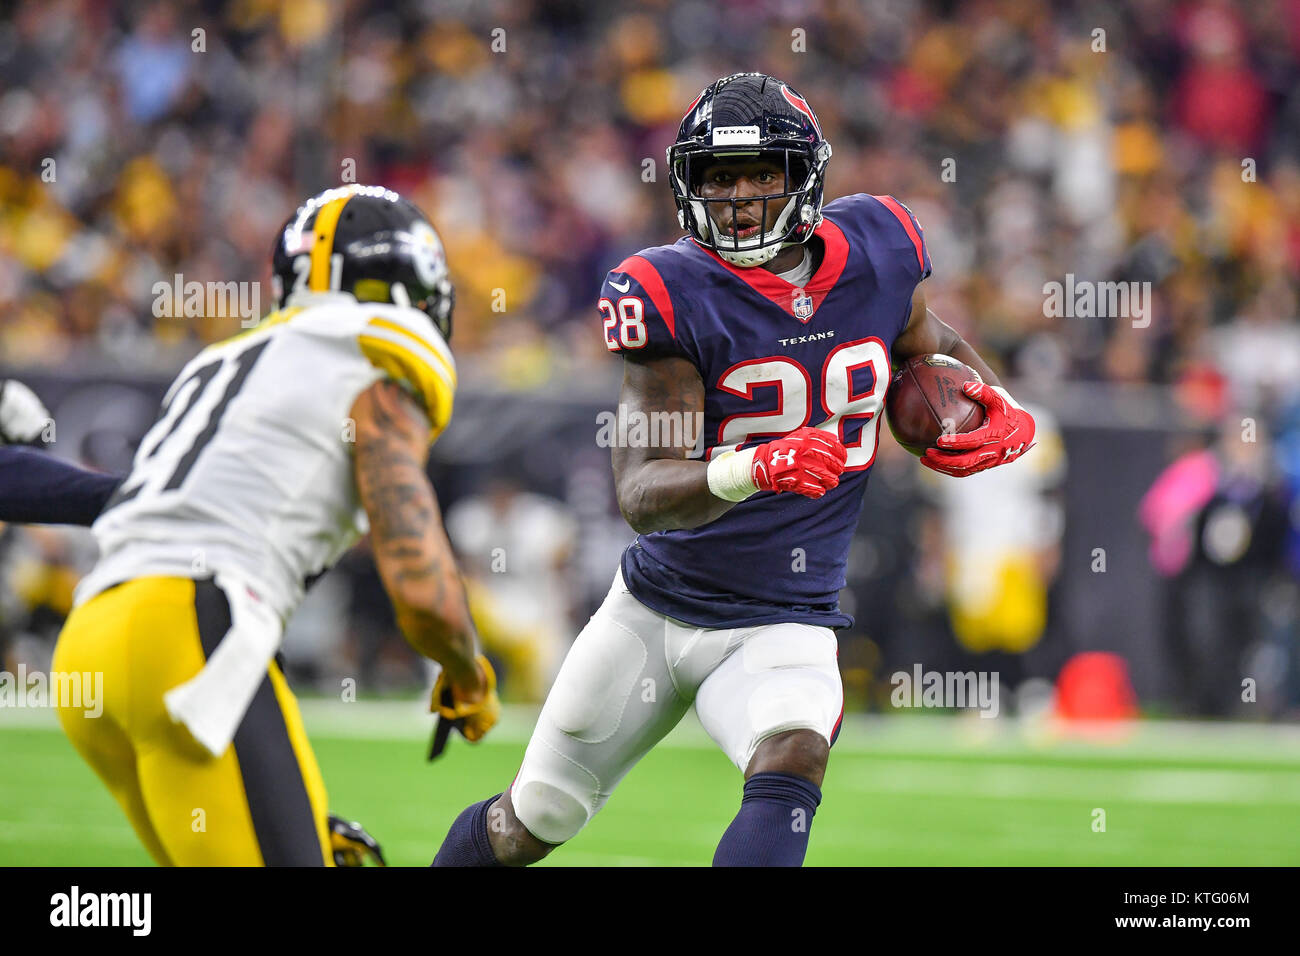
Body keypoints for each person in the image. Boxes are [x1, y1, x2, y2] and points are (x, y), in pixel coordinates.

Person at [432, 73, 1036, 867]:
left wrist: (990, 398)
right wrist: (755, 467)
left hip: (785, 615)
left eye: (762, 175)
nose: (742, 197)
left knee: (793, 754)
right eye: (720, 178)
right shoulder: (672, 291)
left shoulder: (881, 251)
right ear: (690, 187)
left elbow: (926, 343)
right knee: (532, 820)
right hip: (656, 612)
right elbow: (643, 496)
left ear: (805, 177)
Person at [51, 184, 500, 865]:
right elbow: (415, 570)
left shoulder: (227, 358)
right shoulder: (382, 346)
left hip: (92, 641)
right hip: (189, 627)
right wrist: (467, 667)